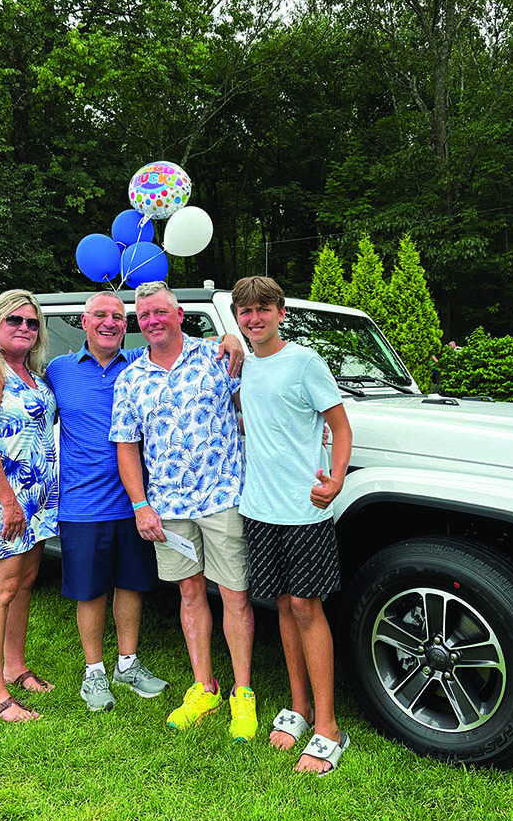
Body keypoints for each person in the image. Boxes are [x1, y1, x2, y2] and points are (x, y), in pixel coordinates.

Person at [45, 290, 245, 713]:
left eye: (118, 316)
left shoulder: (136, 363)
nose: (110, 323)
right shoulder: (60, 371)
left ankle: (129, 664)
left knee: (133, 584)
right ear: (83, 322)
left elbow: (234, 381)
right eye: (100, 315)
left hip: (159, 502)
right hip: (93, 503)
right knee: (90, 589)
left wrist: (231, 336)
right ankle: (94, 671)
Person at [110, 281, 257, 742]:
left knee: (234, 595)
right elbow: (126, 446)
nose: (152, 320)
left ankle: (243, 692)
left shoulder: (216, 356)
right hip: (169, 506)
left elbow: (255, 398)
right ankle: (204, 687)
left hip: (223, 496)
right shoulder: (131, 378)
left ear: (178, 313)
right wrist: (140, 505)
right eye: (144, 315)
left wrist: (239, 341)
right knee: (189, 594)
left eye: (159, 311)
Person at [231, 275, 352, 775]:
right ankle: (299, 708)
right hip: (259, 507)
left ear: (281, 312)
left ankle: (328, 726)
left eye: (263, 309)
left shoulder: (304, 362)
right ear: (238, 319)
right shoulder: (244, 366)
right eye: (245, 312)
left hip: (304, 508)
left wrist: (337, 478)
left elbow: (341, 425)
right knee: (281, 604)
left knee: (306, 605)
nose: (254, 318)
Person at [0, 289, 59, 722]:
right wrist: (7, 501)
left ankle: (14, 666)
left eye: (32, 323)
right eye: (15, 321)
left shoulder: (32, 373)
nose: (24, 328)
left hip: (36, 496)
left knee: (25, 581)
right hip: (1, 499)